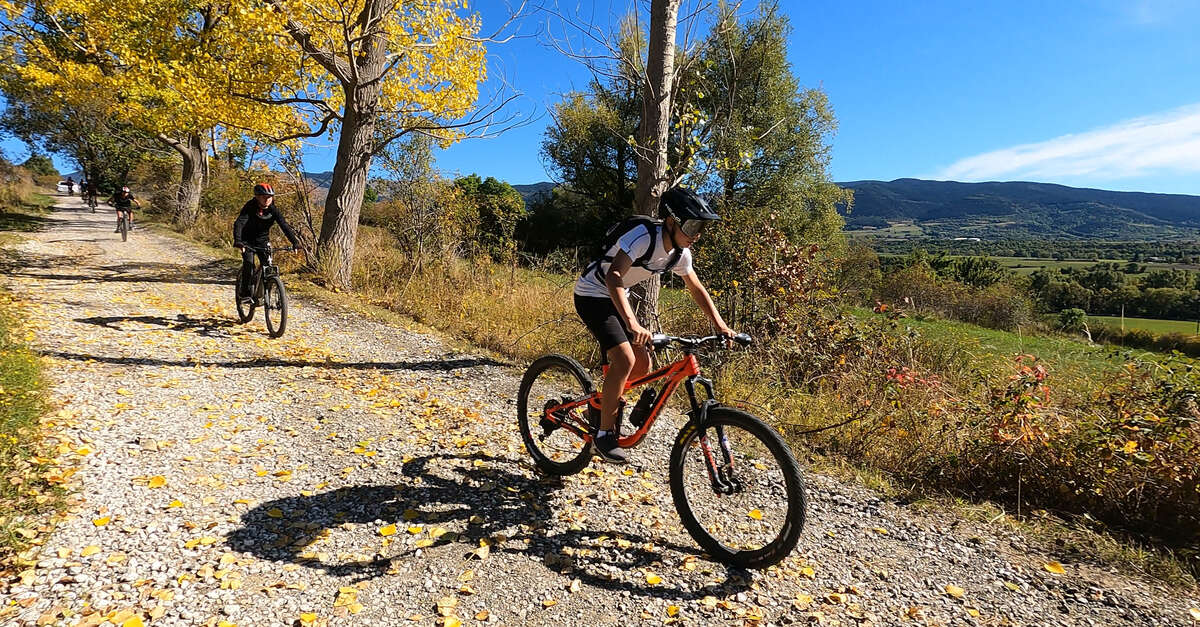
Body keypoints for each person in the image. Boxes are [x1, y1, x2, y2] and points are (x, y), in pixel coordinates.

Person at [572, 187, 734, 463]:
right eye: (692, 226)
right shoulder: (644, 237)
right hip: (592, 293)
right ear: (671, 222)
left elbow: (696, 289)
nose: (697, 234)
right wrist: (632, 322)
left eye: (701, 228)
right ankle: (603, 435)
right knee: (624, 359)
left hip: (616, 297)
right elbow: (613, 276)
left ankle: (599, 408)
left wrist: (720, 325)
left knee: (642, 363)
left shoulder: (681, 254)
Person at [232, 182, 302, 306]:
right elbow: (239, 223)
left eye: (270, 197)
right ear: (257, 196)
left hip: (262, 241)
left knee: (268, 267)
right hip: (246, 241)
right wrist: (238, 241)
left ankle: (265, 293)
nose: (267, 199)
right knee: (249, 265)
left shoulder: (273, 210)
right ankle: (245, 294)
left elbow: (284, 226)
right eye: (264, 196)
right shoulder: (250, 207)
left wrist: (295, 242)